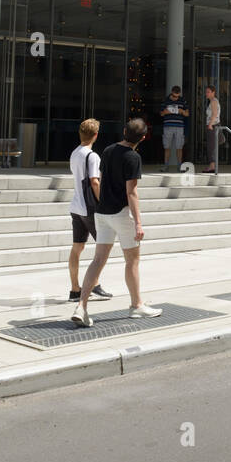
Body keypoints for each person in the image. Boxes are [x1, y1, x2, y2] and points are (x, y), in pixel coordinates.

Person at [71, 118, 160, 327]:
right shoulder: (133, 157)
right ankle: (137, 305)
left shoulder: (109, 150)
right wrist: (138, 222)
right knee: (132, 260)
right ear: (144, 138)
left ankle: (81, 306)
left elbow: (100, 179)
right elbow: (132, 192)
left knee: (98, 260)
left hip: (102, 214)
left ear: (123, 131)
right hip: (121, 214)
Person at [68, 119, 112, 303]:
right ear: (95, 135)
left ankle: (74, 289)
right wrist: (103, 201)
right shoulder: (92, 156)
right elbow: (95, 181)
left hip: (76, 206)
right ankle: (94, 284)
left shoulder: (75, 153)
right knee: (102, 248)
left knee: (77, 247)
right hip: (89, 208)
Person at [159, 86, 189, 171]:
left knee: (179, 147)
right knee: (167, 147)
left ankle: (179, 166)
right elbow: (161, 113)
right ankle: (166, 166)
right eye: (174, 96)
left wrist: (182, 111)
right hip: (167, 126)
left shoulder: (182, 100)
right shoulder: (166, 100)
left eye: (177, 96)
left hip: (179, 127)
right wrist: (165, 112)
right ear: (171, 92)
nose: (176, 98)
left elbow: (187, 114)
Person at [202, 85, 220, 174]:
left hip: (213, 125)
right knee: (211, 146)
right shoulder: (212, 101)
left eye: (208, 92)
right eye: (206, 92)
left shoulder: (213, 101)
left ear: (213, 92)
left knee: (211, 146)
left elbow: (215, 113)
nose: (207, 93)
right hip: (213, 125)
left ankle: (212, 166)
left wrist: (210, 124)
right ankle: (212, 165)